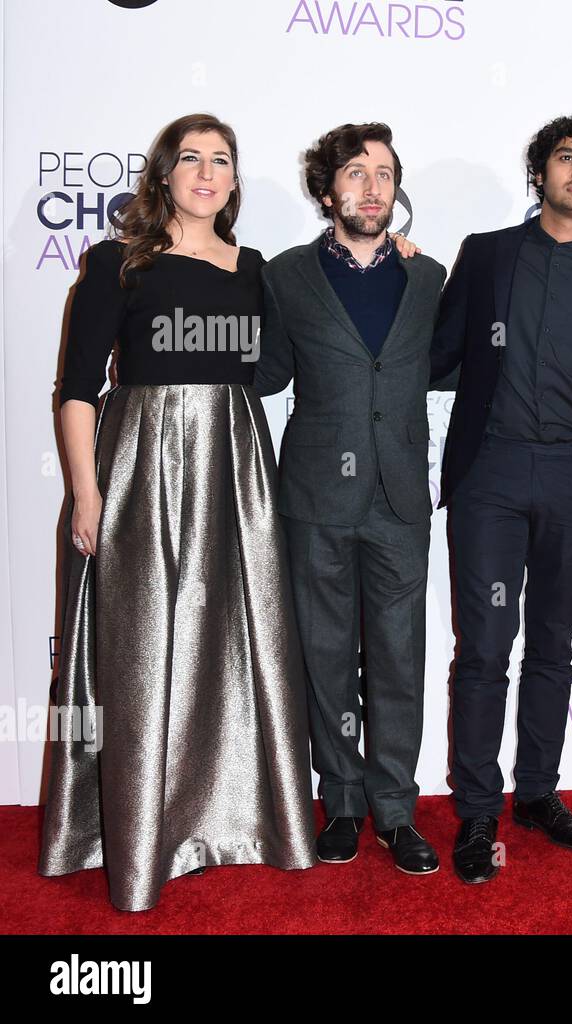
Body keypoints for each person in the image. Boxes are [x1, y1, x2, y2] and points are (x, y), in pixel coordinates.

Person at [40, 113, 316, 911]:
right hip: (141, 468)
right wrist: (87, 491)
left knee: (235, 644)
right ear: (163, 175)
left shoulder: (254, 268)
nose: (205, 171)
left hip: (234, 468)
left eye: (220, 160)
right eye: (189, 158)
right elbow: (77, 388)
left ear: (234, 180)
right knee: (141, 649)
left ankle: (230, 818)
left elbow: (277, 362)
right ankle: (129, 835)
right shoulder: (118, 263)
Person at [430, 112, 572, 883]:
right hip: (490, 475)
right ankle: (478, 811)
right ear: (541, 173)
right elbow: (437, 354)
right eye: (566, 158)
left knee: (554, 643)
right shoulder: (487, 257)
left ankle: (537, 795)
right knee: (486, 648)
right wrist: (403, 275)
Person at [255, 123, 447, 875]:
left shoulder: (428, 278)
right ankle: (339, 800)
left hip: (401, 496)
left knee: (399, 658)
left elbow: (465, 360)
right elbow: (263, 375)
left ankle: (396, 809)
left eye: (386, 174)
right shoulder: (283, 275)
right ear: (327, 188)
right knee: (326, 655)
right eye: (357, 173)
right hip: (314, 496)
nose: (373, 187)